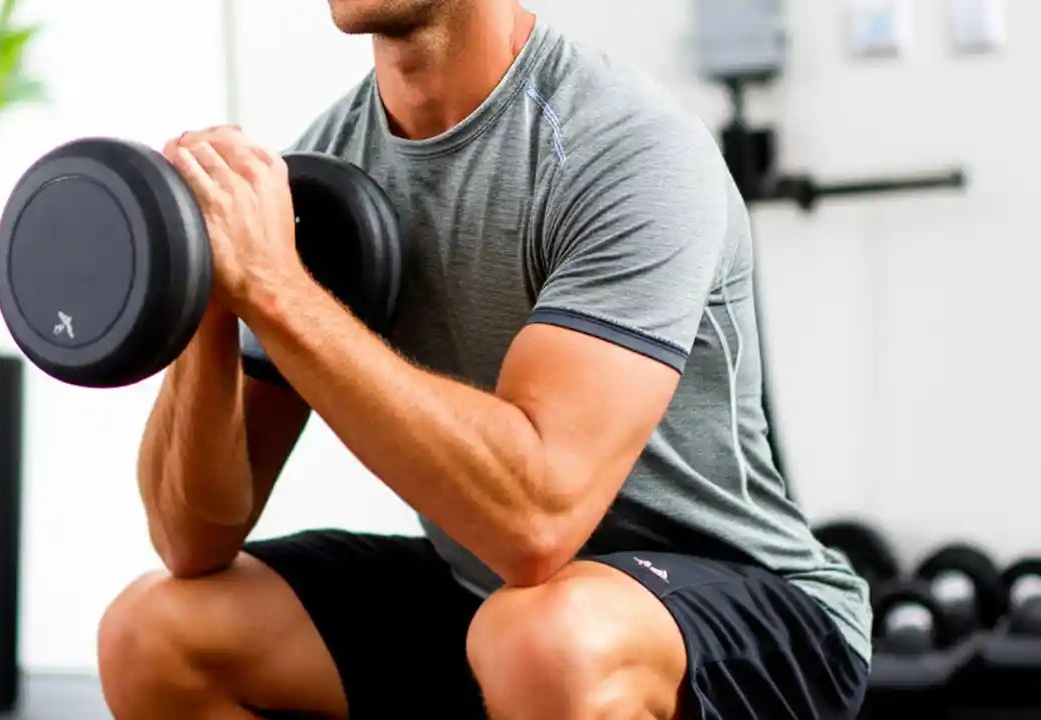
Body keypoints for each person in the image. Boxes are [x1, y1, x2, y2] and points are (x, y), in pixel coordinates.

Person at [97, 1, 872, 718]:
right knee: (156, 634)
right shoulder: (329, 167)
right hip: (495, 602)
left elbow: (536, 522)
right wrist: (214, 288)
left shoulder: (627, 148)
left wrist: (274, 286)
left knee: (542, 639)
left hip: (746, 611)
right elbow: (191, 539)